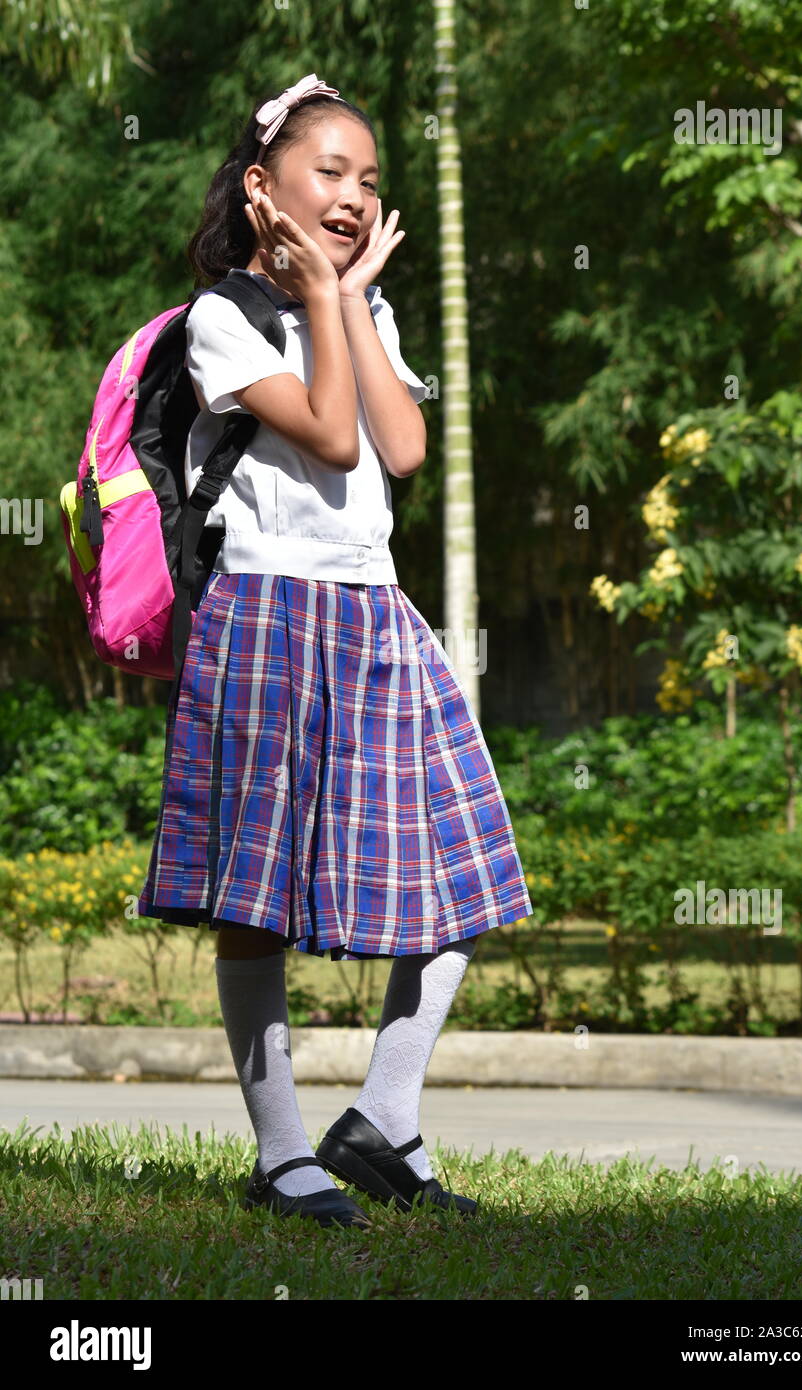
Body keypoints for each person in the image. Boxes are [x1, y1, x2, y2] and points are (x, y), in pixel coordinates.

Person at [137, 73, 534, 1228]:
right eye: (330, 172)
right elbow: (327, 428)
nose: (356, 195)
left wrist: (347, 301)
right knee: (256, 896)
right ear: (264, 186)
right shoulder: (219, 317)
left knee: (460, 868)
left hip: (373, 613)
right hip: (265, 616)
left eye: (369, 179)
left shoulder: (368, 309)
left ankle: (386, 1122)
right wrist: (318, 293)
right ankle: (281, 1153)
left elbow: (398, 450)